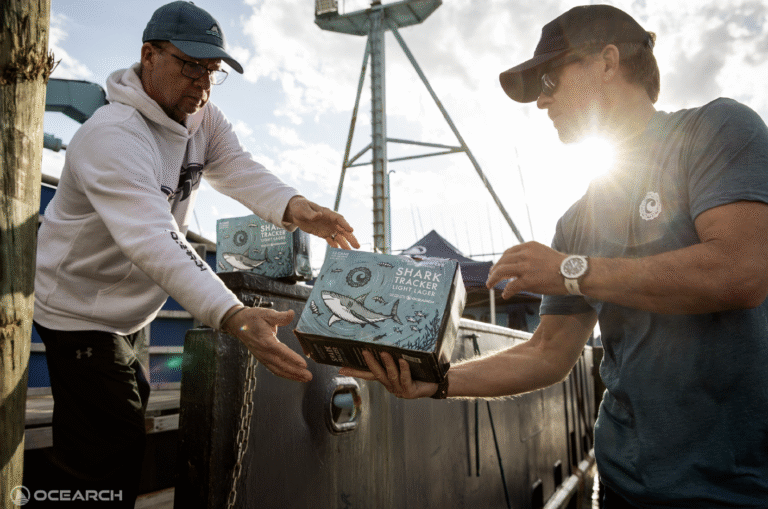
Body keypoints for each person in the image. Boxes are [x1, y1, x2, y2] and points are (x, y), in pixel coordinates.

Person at [340, 5, 768, 508]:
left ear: (608, 62)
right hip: (623, 487)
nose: (541, 101)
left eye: (549, 79)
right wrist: (436, 381)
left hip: (735, 489)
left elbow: (741, 270)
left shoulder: (717, 130)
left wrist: (571, 272)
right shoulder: (577, 220)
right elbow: (548, 354)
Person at [32, 1, 359, 506]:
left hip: (125, 313)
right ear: (150, 55)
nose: (203, 84)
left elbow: (238, 168)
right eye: (191, 66)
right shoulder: (112, 135)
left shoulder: (203, 118)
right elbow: (153, 238)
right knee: (108, 445)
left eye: (213, 71)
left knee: (123, 417)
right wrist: (231, 315)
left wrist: (297, 210)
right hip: (78, 310)